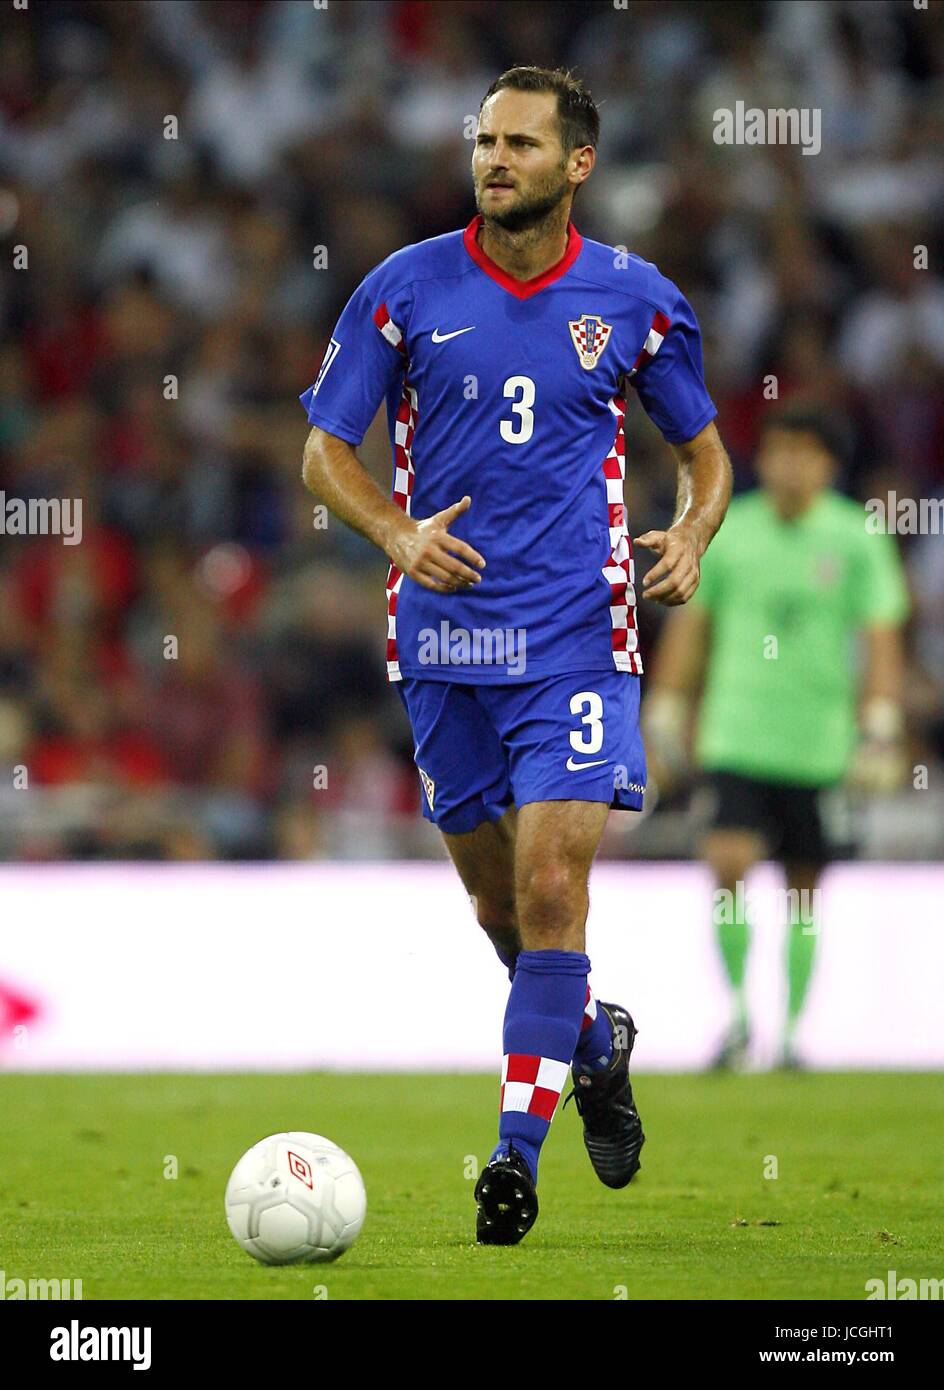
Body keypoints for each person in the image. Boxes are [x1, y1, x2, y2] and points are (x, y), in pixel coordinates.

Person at [300, 66, 731, 1243]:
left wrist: (690, 530)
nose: (493, 159)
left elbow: (703, 451)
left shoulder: (636, 299)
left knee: (551, 892)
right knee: (499, 913)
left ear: (576, 163)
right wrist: (393, 532)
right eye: (484, 140)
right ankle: (593, 1044)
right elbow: (323, 451)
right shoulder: (403, 288)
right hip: (440, 642)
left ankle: (510, 1160)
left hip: (576, 638)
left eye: (521, 144)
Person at [644, 406, 909, 1070]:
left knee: (804, 888)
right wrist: (667, 711)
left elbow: (880, 635)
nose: (789, 465)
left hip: (818, 743)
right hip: (736, 733)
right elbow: (691, 625)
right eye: (779, 451)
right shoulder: (730, 530)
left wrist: (879, 724)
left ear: (828, 464)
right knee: (728, 866)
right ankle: (737, 1018)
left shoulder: (855, 538)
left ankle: (790, 1034)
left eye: (805, 452)